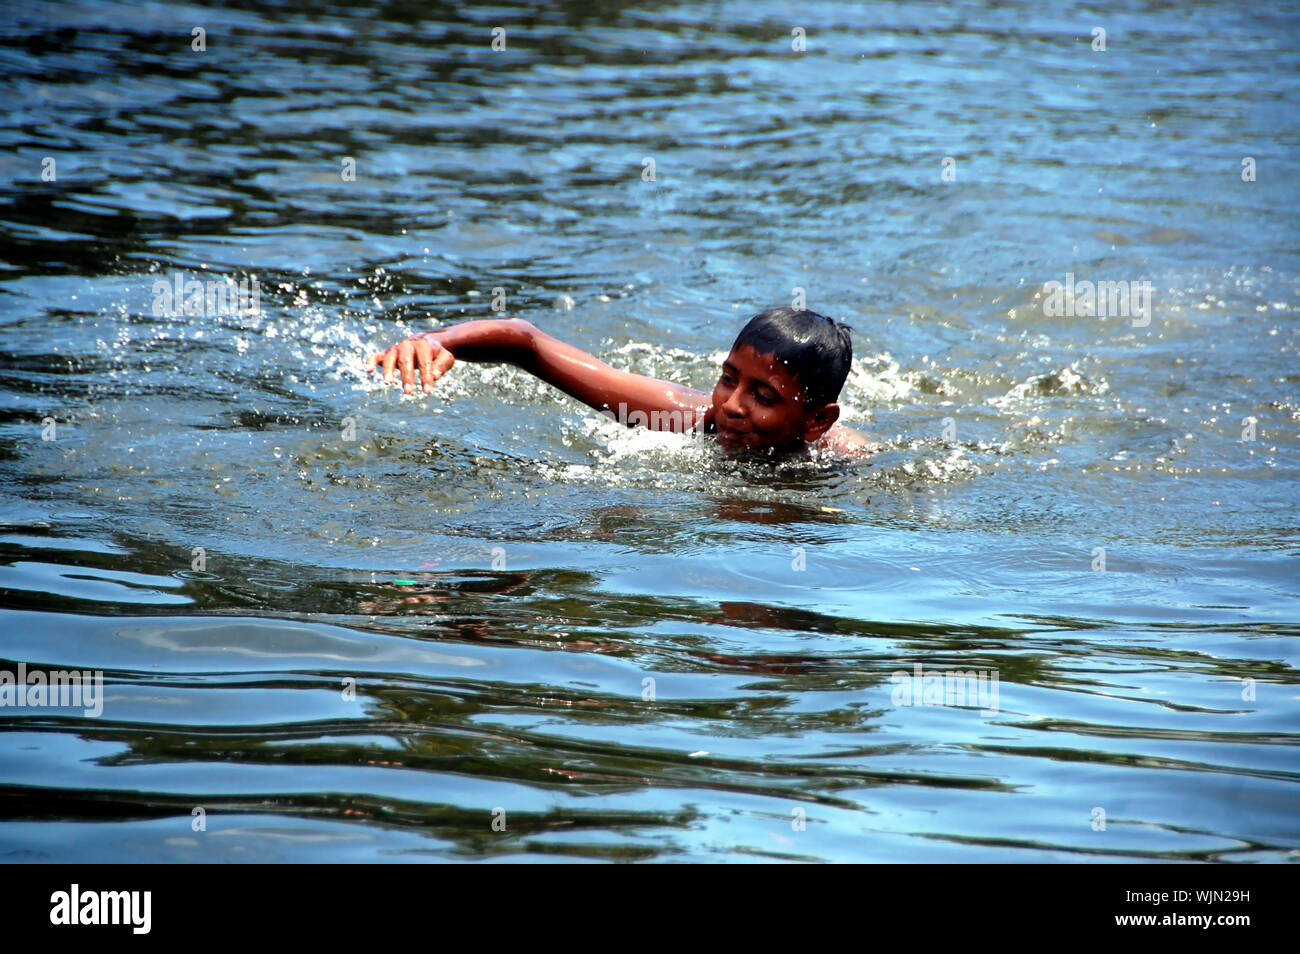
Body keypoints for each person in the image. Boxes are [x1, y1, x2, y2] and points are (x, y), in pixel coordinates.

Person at [365, 305, 872, 457]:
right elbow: (524, 340)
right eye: (727, 381)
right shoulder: (689, 419)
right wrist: (437, 342)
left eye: (763, 396)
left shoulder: (841, 463)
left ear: (814, 422)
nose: (732, 407)